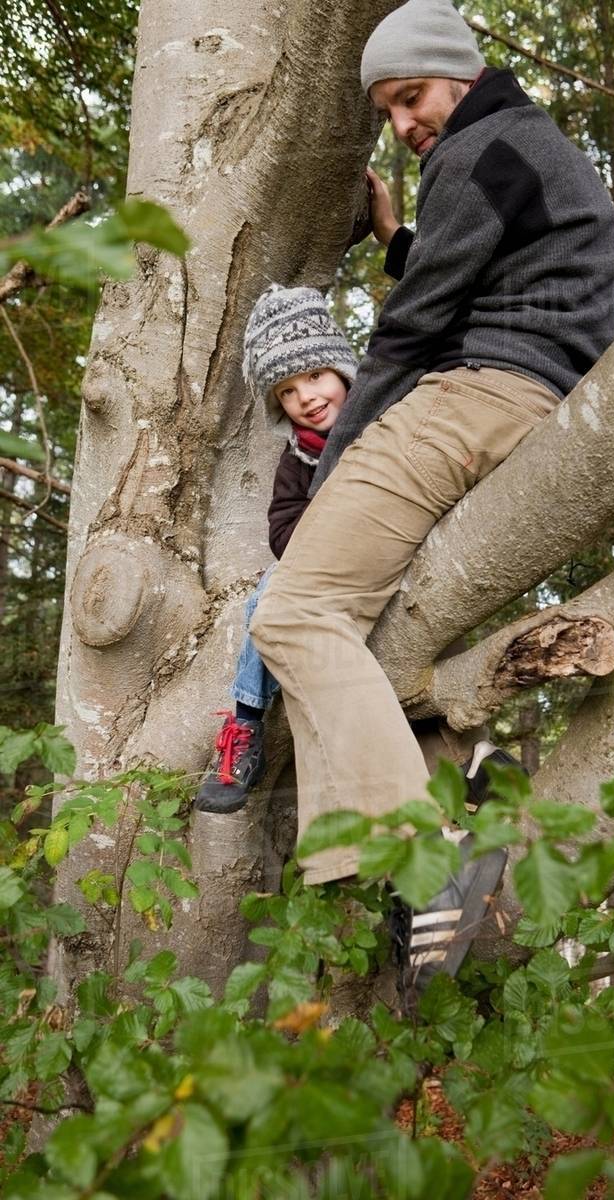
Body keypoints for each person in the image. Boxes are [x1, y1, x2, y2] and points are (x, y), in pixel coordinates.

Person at [249, 0, 614, 992]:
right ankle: (421, 842)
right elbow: (480, 267)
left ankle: (426, 851)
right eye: (388, 110)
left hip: (473, 397)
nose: (404, 123)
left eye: (411, 97)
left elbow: (408, 333)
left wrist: (332, 466)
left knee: (292, 612)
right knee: (364, 636)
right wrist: (397, 237)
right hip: (531, 391)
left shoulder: (480, 150)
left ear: (459, 71)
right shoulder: (519, 148)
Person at [194, 285, 358, 813]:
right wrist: (329, 521)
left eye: (315, 376)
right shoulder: (296, 461)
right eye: (287, 391)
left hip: (385, 550)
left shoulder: (385, 419)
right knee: (266, 595)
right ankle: (246, 723)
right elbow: (282, 535)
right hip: (319, 567)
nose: (306, 397)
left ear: (341, 370)